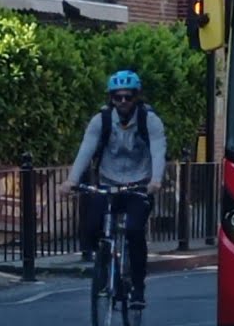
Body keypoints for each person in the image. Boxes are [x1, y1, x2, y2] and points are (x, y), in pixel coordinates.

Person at [59, 69, 167, 310]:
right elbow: (86, 149)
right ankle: (106, 263)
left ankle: (138, 288)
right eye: (117, 97)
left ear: (137, 97)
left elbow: (159, 150)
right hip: (109, 182)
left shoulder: (150, 120)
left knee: (134, 231)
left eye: (128, 97)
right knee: (91, 226)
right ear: (111, 98)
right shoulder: (102, 120)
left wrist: (156, 180)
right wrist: (71, 180)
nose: (123, 102)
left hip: (140, 184)